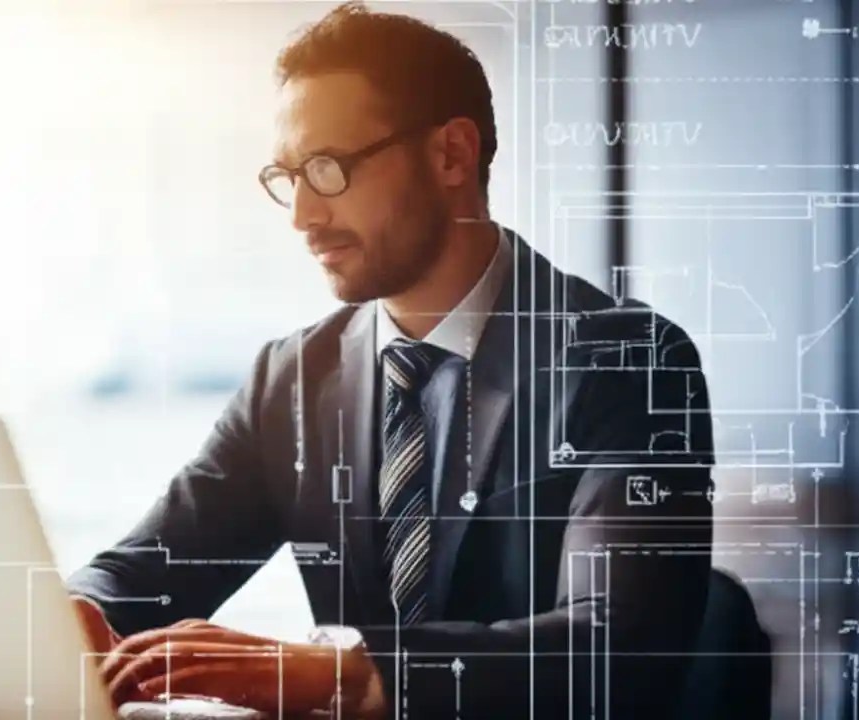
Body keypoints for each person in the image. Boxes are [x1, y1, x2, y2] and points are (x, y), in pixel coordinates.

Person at [66, 2, 715, 717]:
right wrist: (63, 617)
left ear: (451, 154)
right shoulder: (292, 380)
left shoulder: (627, 360)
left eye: (329, 168)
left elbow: (617, 650)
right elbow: (142, 573)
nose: (302, 215)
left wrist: (338, 674)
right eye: (289, 176)